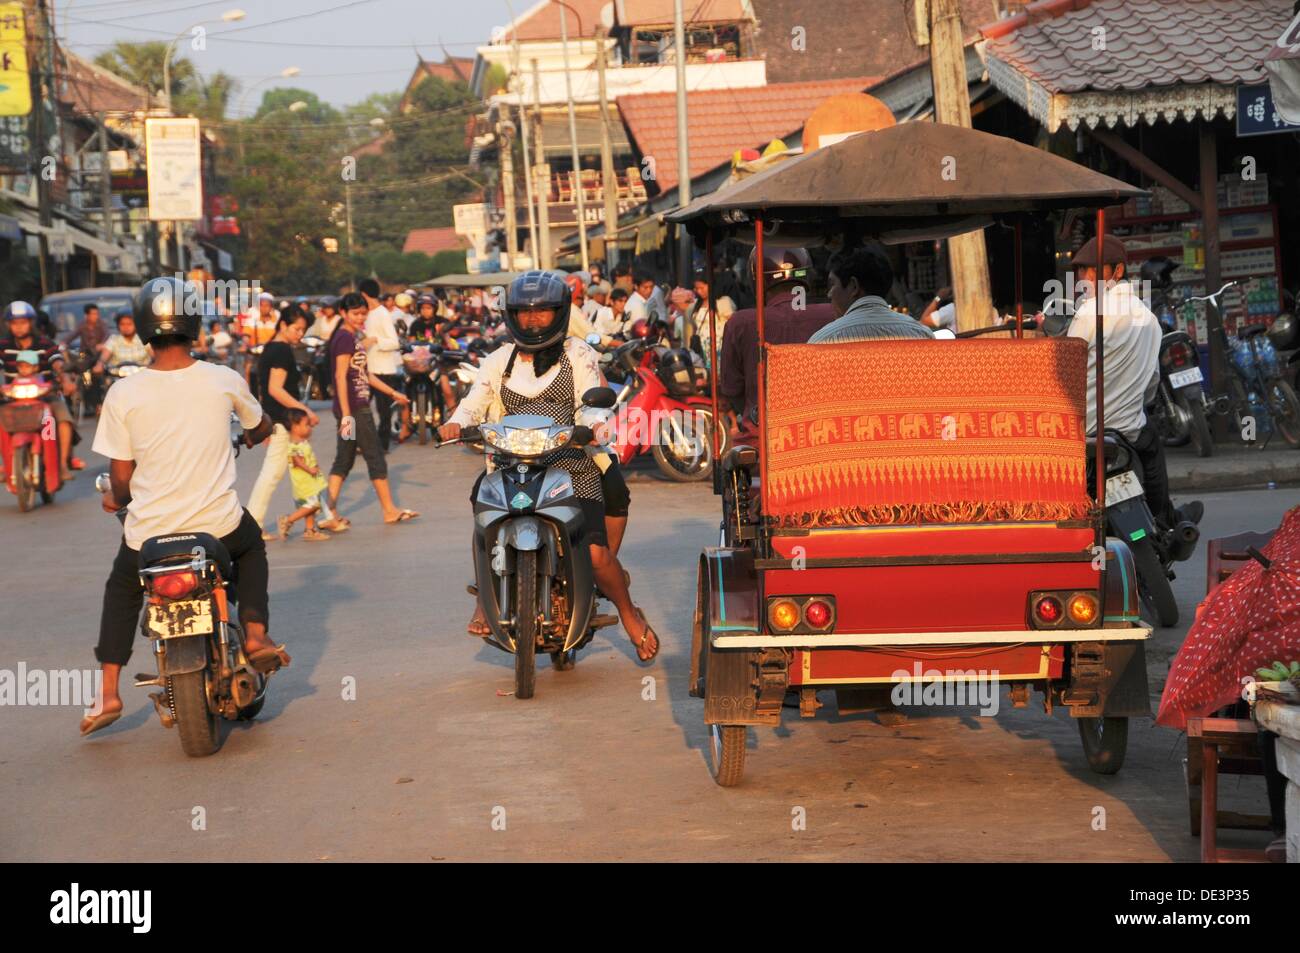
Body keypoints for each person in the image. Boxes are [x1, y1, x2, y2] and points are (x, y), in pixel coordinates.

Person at [81, 276, 288, 737]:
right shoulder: (223, 379)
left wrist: (115, 497)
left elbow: (121, 480)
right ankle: (255, 633)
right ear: (194, 323)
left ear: (142, 326)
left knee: (121, 590)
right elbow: (260, 425)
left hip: (149, 537)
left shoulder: (123, 393)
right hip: (218, 528)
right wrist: (258, 431)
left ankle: (108, 691)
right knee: (252, 548)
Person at [438, 271, 658, 662]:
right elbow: (476, 399)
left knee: (593, 552)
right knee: (482, 515)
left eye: (543, 312)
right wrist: (457, 421)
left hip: (570, 461)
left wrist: (593, 427)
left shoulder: (579, 354)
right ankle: (484, 598)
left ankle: (628, 613)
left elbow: (592, 403)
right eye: (525, 313)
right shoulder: (498, 360)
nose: (534, 320)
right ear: (512, 315)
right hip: (510, 462)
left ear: (560, 313)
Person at [1066, 234, 1199, 529]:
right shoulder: (1149, 319)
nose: (1084, 279)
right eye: (1081, 272)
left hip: (1082, 432)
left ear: (1117, 272)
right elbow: (1151, 387)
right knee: (1150, 440)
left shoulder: (1088, 313)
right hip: (1129, 432)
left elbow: (1065, 374)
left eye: (1090, 271)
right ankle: (1164, 520)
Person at [719, 247, 837, 429]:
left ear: (756, 280)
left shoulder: (741, 322)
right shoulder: (833, 314)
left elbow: (732, 389)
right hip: (823, 431)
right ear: (807, 276)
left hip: (762, 435)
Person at [326, 291, 418, 524]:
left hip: (352, 408)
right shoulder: (345, 338)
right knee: (375, 456)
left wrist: (393, 392)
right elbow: (339, 376)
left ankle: (329, 512)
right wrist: (347, 415)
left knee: (344, 460)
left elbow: (365, 374)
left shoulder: (352, 337)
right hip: (355, 409)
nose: (359, 318)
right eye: (355, 314)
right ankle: (389, 510)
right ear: (343, 313)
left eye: (363, 314)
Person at [247, 308, 320, 538]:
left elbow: (263, 390)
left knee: (296, 471)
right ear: (283, 325)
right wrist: (305, 409)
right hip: (282, 421)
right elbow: (274, 390)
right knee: (272, 475)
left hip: (276, 420)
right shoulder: (280, 351)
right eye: (296, 329)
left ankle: (319, 518)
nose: (300, 334)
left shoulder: (271, 347)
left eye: (303, 330)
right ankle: (252, 526)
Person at [1, 300, 82, 479]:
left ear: (31, 323)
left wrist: (65, 379)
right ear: (9, 325)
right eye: (15, 323)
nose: (19, 327)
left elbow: (57, 362)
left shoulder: (45, 343)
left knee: (63, 420)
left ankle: (61, 465)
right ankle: (6, 464)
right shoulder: (3, 345)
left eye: (23, 322)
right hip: (12, 399)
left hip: (46, 396)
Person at [809, 243, 936, 344]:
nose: (829, 294)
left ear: (854, 286)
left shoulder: (824, 340)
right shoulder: (922, 334)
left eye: (832, 285)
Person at [277, 407, 342, 540]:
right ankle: (288, 520)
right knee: (313, 505)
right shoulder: (294, 445)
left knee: (311, 508)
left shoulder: (302, 442)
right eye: (306, 424)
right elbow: (297, 461)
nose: (310, 428)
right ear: (295, 427)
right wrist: (310, 469)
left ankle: (310, 530)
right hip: (305, 483)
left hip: (311, 482)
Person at [358, 278, 407, 449]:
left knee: (383, 410)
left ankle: (382, 444)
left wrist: (375, 340)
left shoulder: (382, 313)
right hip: (367, 369)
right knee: (360, 407)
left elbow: (394, 342)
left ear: (365, 295)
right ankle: (357, 441)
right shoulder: (365, 314)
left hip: (383, 369)